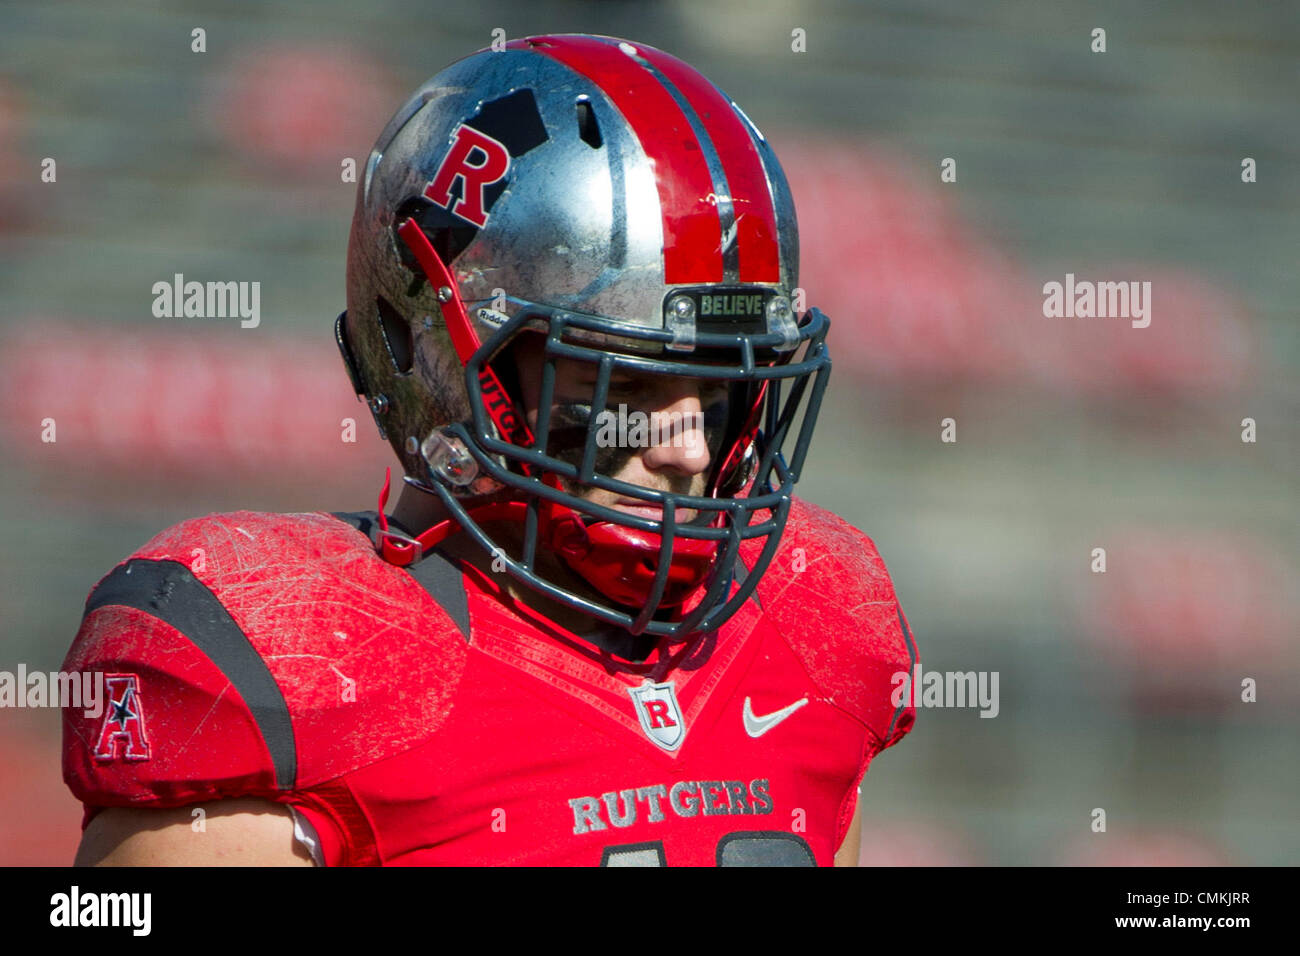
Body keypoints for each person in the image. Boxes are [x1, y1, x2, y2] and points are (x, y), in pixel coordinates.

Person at [62, 33, 917, 866]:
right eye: (622, 386)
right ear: (434, 349)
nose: (688, 446)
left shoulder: (815, 620)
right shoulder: (295, 655)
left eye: (722, 385)